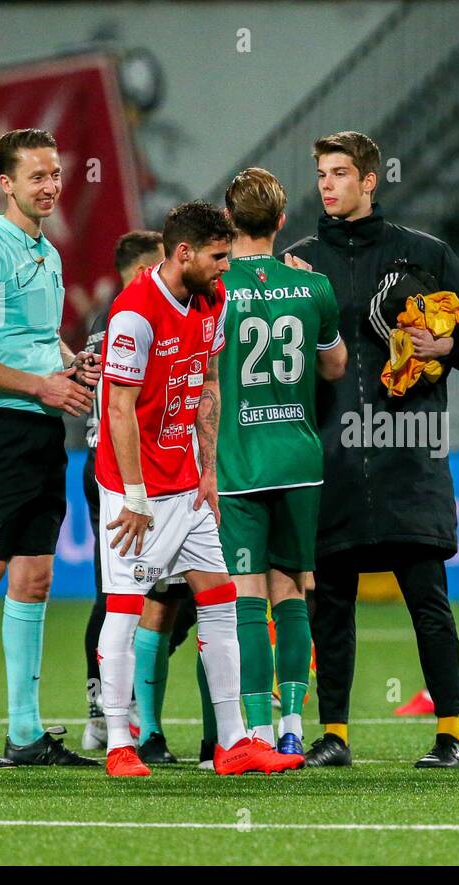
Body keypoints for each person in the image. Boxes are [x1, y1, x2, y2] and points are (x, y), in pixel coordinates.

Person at [282, 131, 459, 769]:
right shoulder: (298, 263)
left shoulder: (425, 253)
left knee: (428, 600)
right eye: (322, 174)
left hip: (409, 454)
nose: (328, 185)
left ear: (370, 180)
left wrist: (448, 346)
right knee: (331, 605)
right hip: (330, 458)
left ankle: (451, 734)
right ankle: (335, 736)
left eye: (340, 173)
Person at [94, 200, 300, 777]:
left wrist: (208, 471)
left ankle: (233, 742)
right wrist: (135, 496)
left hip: (187, 485)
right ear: (183, 253)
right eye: (217, 256)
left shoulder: (215, 298)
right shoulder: (134, 313)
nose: (226, 266)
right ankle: (119, 743)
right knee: (126, 609)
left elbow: (207, 382)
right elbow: (119, 410)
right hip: (134, 493)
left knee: (220, 598)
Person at [0, 128, 99, 768]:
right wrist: (39, 385)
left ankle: (25, 734)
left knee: (35, 577)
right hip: (1, 428)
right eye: (37, 176)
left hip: (43, 430)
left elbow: (39, 339)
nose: (51, 186)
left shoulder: (48, 253)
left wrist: (71, 364)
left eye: (55, 174)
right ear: (5, 184)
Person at [215, 167, 347, 758]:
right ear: (282, 221)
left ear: (228, 219)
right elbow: (335, 366)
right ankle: (293, 725)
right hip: (299, 457)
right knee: (291, 589)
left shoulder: (216, 286)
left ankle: (258, 733)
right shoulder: (313, 286)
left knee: (245, 593)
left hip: (239, 459)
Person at [78, 230, 198, 765]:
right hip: (129, 472)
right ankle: (120, 715)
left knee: (124, 593)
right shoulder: (134, 316)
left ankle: (105, 711)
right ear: (143, 267)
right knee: (144, 595)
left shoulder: (101, 322)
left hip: (119, 466)